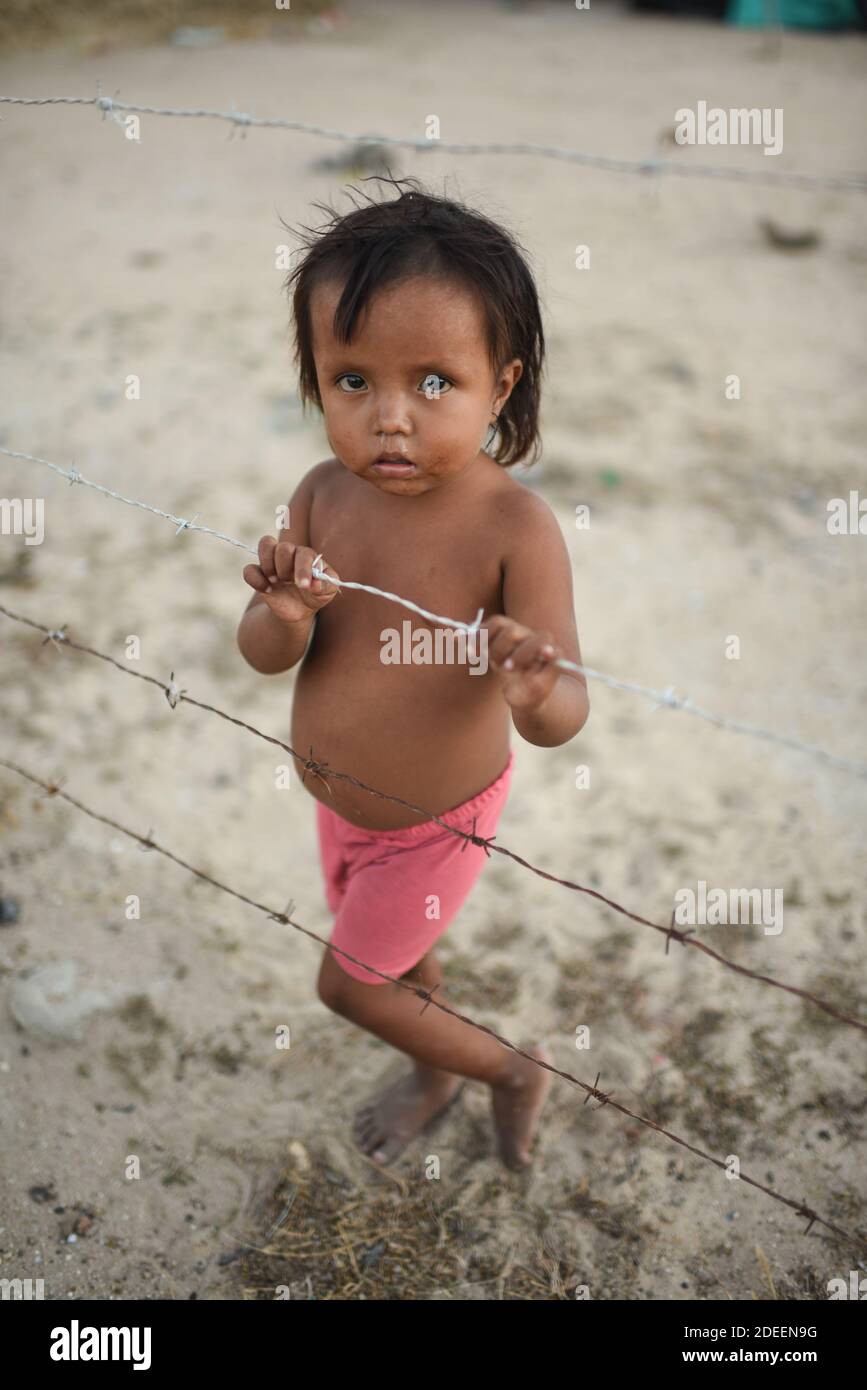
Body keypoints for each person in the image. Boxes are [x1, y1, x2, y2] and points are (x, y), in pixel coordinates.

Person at [237, 175, 589, 1170]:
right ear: (315, 377)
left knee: (349, 982)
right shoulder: (319, 495)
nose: (391, 416)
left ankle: (509, 1069)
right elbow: (263, 654)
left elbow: (566, 710)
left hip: (436, 824)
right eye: (354, 381)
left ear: (503, 384)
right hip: (341, 809)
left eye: (434, 381)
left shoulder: (514, 526)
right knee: (399, 963)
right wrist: (283, 610)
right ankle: (435, 1067)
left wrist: (535, 687)